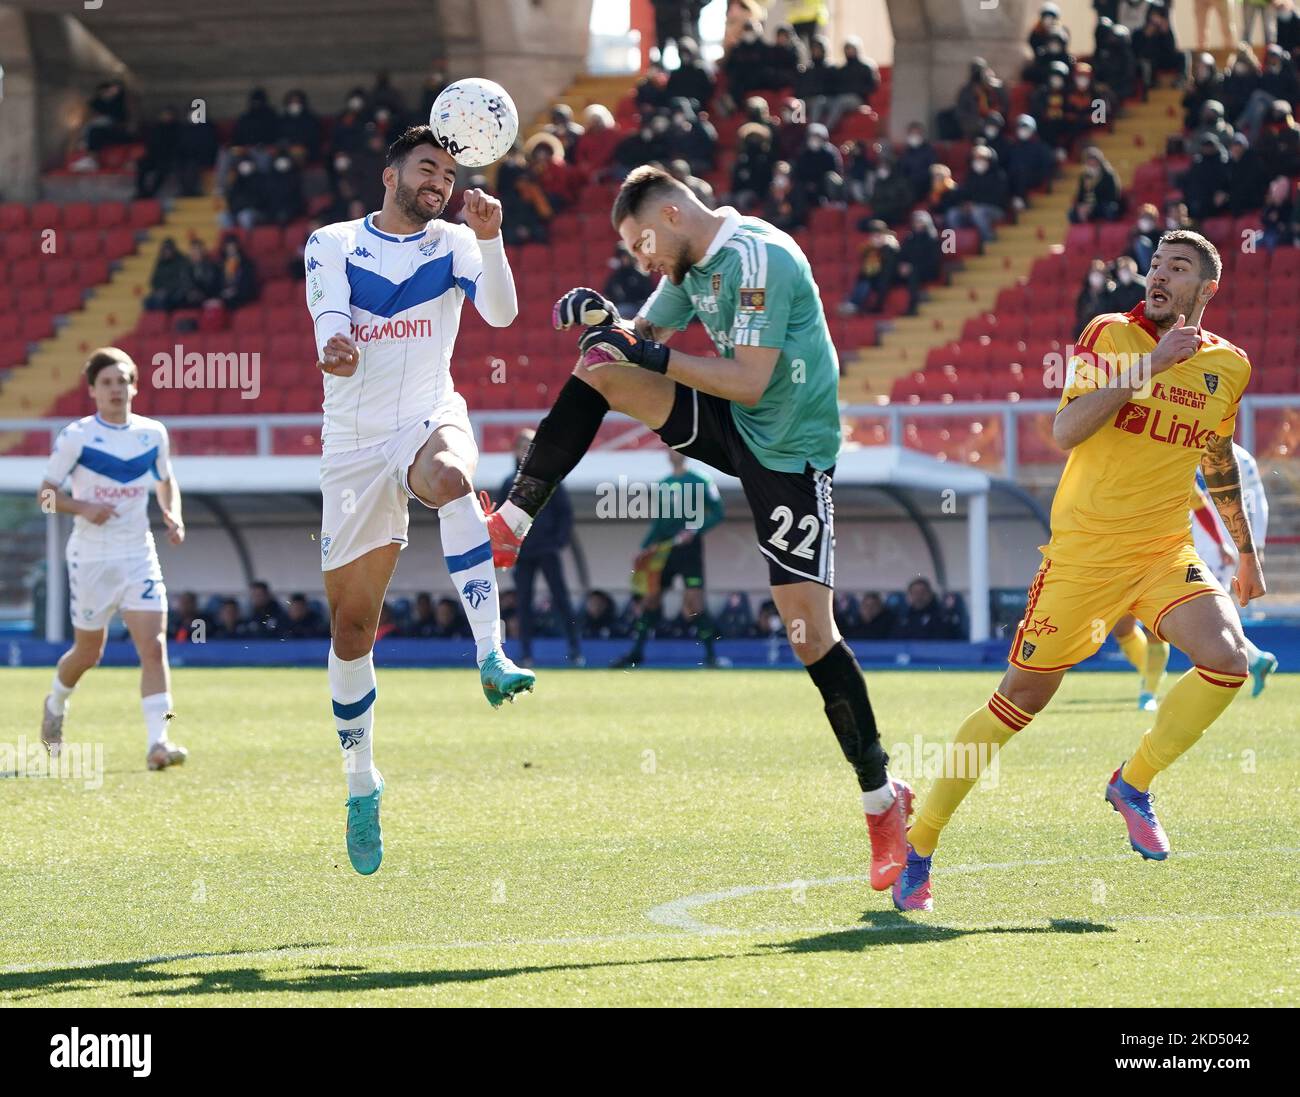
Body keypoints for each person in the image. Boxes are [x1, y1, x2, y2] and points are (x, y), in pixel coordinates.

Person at [482, 165, 915, 888]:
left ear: (675, 214)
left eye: (639, 243)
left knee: (809, 632)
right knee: (598, 366)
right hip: (732, 422)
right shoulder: (688, 261)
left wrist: (643, 350)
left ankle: (881, 799)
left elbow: (747, 378)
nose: (638, 259)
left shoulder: (758, 259)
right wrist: (604, 320)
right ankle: (515, 516)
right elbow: (639, 336)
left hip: (788, 451)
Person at [894, 231, 1266, 912]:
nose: (1157, 276)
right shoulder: (1112, 335)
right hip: (1083, 557)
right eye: (1154, 264)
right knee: (1018, 703)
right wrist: (1151, 365)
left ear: (1206, 289)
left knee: (1228, 660)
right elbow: (1068, 430)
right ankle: (918, 840)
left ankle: (1132, 782)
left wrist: (1246, 551)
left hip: (1162, 550)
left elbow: (1216, 456)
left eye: (1176, 268)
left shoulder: (1230, 367)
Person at [304, 125, 535, 876]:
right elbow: (331, 323)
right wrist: (336, 347)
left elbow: (500, 314)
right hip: (352, 449)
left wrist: (492, 240)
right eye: (427, 168)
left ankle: (490, 650)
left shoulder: (456, 242)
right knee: (351, 630)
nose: (440, 181)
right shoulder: (332, 241)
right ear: (391, 174)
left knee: (451, 478)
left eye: (449, 171)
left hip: (428, 415)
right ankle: (362, 783)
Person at [37, 347, 188, 772]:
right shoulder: (76, 436)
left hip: (138, 554)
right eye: (107, 382)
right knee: (89, 652)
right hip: (91, 558)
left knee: (154, 648)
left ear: (134, 386)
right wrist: (82, 507)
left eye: (123, 381)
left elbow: (166, 480)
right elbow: (45, 495)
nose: (116, 389)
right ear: (92, 391)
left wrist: (172, 513)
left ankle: (159, 741)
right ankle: (56, 703)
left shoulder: (153, 433)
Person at [611, 449, 724, 668]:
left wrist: (695, 530)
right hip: (664, 551)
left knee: (694, 602)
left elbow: (718, 512)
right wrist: (644, 547)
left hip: (689, 551)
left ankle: (711, 656)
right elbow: (659, 523)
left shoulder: (701, 480)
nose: (672, 451)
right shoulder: (663, 483)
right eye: (669, 447)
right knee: (651, 599)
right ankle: (636, 654)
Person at [1189, 446, 1279, 696]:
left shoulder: (1239, 457)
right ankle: (1256, 659)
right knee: (1201, 617)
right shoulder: (1184, 445)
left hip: (1222, 548)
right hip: (1191, 545)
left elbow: (1257, 504)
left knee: (1204, 616)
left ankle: (1224, 673)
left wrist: (1254, 546)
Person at [494, 429, 581, 667]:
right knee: (524, 603)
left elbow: (565, 513)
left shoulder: (550, 478)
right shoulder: (508, 483)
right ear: (514, 451)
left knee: (561, 599)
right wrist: (508, 548)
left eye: (530, 446)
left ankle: (575, 650)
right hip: (522, 553)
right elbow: (501, 519)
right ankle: (526, 654)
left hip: (547, 549)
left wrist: (558, 542)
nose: (526, 452)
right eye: (522, 446)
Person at [892, 578, 964, 640]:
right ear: (909, 596)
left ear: (930, 594)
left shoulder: (942, 617)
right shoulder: (903, 619)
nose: (919, 596)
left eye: (923, 592)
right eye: (915, 593)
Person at [143, 238, 194, 311]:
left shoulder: (182, 261)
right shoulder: (160, 262)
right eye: (164, 250)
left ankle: (165, 320)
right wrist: (159, 290)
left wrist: (166, 290)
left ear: (173, 249)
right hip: (161, 292)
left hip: (176, 293)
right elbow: (153, 280)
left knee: (162, 300)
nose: (166, 252)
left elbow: (182, 281)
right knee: (146, 301)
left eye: (168, 249)